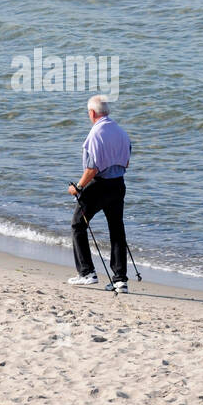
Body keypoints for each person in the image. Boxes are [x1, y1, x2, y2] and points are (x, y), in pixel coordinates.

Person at [65, 95, 131, 293]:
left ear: (92, 113)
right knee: (117, 230)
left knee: (78, 224)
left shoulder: (95, 133)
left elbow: (91, 168)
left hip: (99, 185)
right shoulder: (121, 132)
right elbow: (126, 162)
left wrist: (78, 186)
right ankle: (120, 280)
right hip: (118, 184)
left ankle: (86, 273)